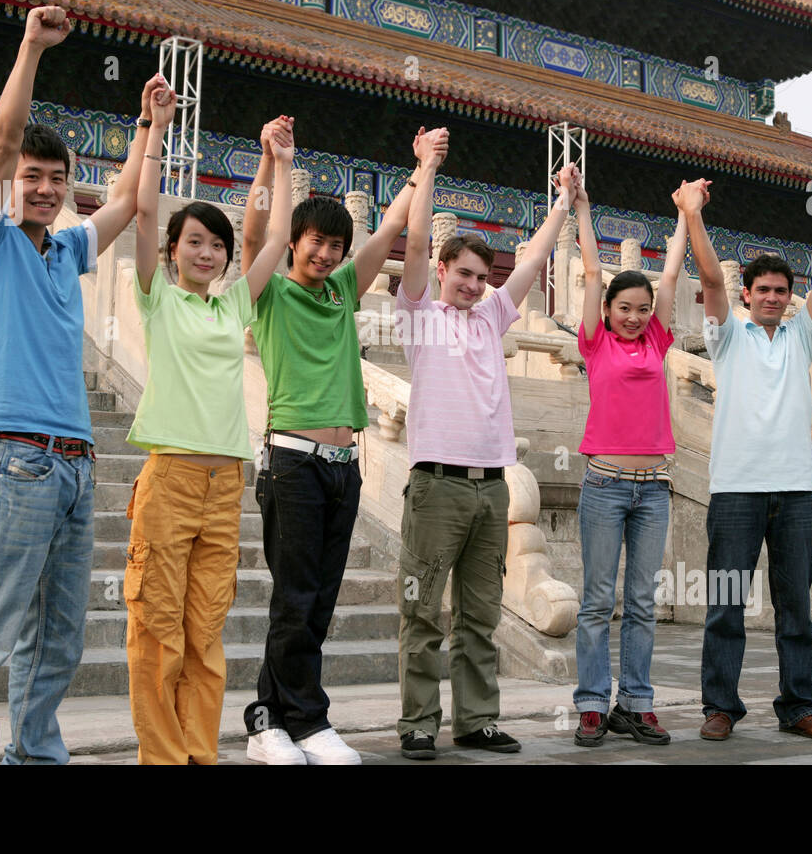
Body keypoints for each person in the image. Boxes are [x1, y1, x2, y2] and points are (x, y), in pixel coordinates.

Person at [0, 6, 160, 764]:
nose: (45, 189)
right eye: (33, 178)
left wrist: (148, 126)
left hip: (76, 464)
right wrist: (30, 47)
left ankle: (37, 754)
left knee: (57, 633)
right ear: (11, 184)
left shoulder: (65, 251)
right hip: (12, 458)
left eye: (57, 180)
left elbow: (124, 204)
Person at [238, 124, 429, 765]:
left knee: (317, 598)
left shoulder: (342, 291)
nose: (326, 255)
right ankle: (301, 720)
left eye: (334, 246)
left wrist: (418, 167)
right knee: (294, 595)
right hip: (291, 460)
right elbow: (254, 234)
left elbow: (387, 233)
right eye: (316, 243)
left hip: (344, 467)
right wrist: (275, 162)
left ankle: (276, 719)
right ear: (295, 242)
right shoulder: (269, 293)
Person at [122, 105, 296, 764]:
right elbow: (141, 212)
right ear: (172, 252)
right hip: (169, 479)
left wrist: (276, 162)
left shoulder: (233, 306)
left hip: (226, 484)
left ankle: (201, 754)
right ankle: (162, 757)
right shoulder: (156, 298)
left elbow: (274, 240)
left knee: (205, 631)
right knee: (157, 629)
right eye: (194, 241)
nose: (207, 252)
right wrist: (155, 129)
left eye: (217, 245)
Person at [394, 141, 575, 762]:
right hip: (436, 485)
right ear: (442, 271)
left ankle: (476, 720)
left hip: (490, 487)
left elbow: (535, 259)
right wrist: (428, 169)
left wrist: (564, 202)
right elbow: (413, 244)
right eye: (463, 274)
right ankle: (418, 722)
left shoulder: (493, 316)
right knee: (421, 611)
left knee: (480, 614)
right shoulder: (419, 315)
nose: (474, 285)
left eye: (482, 276)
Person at [681, 173, 812, 743]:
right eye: (763, 290)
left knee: (795, 607)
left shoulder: (801, 337)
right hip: (736, 488)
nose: (773, 297)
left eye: (782, 290)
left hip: (794, 492)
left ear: (790, 296)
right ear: (747, 295)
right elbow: (709, 275)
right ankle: (720, 707)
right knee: (727, 604)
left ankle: (798, 707)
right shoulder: (727, 336)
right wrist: (692, 214)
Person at [571, 172, 686, 748]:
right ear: (609, 309)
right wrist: (584, 206)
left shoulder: (658, 341)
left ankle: (635, 704)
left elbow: (670, 273)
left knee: (642, 603)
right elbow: (591, 270)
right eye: (626, 308)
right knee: (597, 601)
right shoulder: (596, 342)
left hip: (654, 488)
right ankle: (592, 704)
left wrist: (685, 214)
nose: (636, 316)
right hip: (605, 485)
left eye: (643, 309)